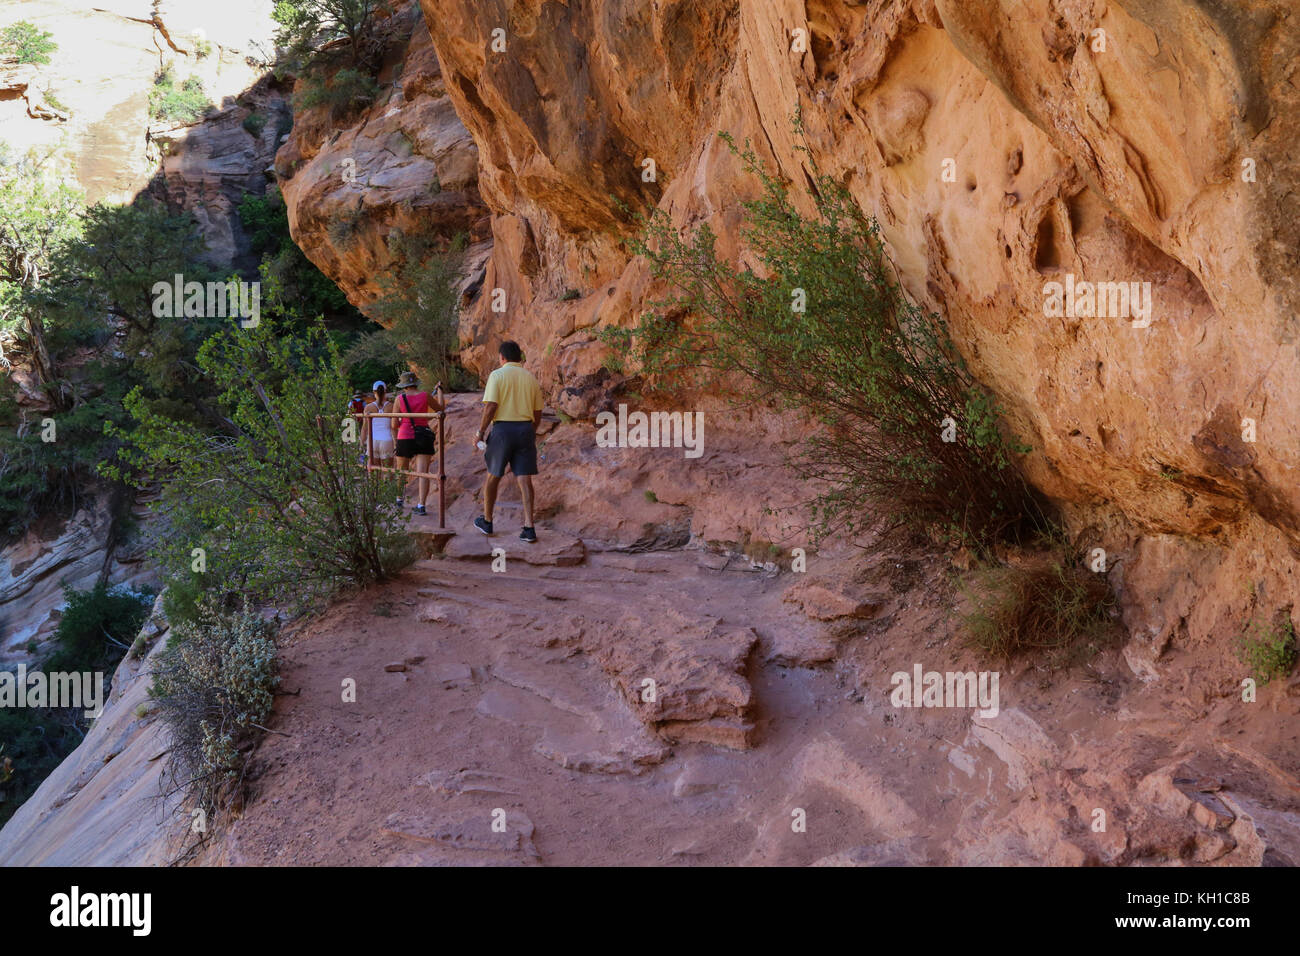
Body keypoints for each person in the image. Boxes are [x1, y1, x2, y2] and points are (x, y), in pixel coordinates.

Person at [473, 340, 544, 542]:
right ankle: (529, 528)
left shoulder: (497, 375)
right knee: (524, 478)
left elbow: (491, 406)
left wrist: (480, 432)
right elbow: (538, 411)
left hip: (502, 430)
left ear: (502, 357)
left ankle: (487, 521)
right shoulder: (530, 378)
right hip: (525, 429)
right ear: (520, 357)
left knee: (493, 475)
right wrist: (531, 430)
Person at [392, 371, 443, 516]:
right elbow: (440, 409)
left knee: (401, 471)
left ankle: (399, 499)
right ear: (415, 383)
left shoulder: (399, 399)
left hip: (405, 435)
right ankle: (421, 505)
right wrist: (439, 391)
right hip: (423, 436)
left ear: (404, 386)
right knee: (423, 473)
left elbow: (394, 424)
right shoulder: (425, 396)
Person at [363, 380, 395, 477]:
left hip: (372, 441)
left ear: (374, 392)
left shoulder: (368, 407)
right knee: (387, 473)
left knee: (374, 475)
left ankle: (375, 493)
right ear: (386, 391)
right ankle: (389, 492)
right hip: (387, 441)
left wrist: (362, 443)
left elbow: (364, 428)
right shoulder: (391, 406)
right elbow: (394, 426)